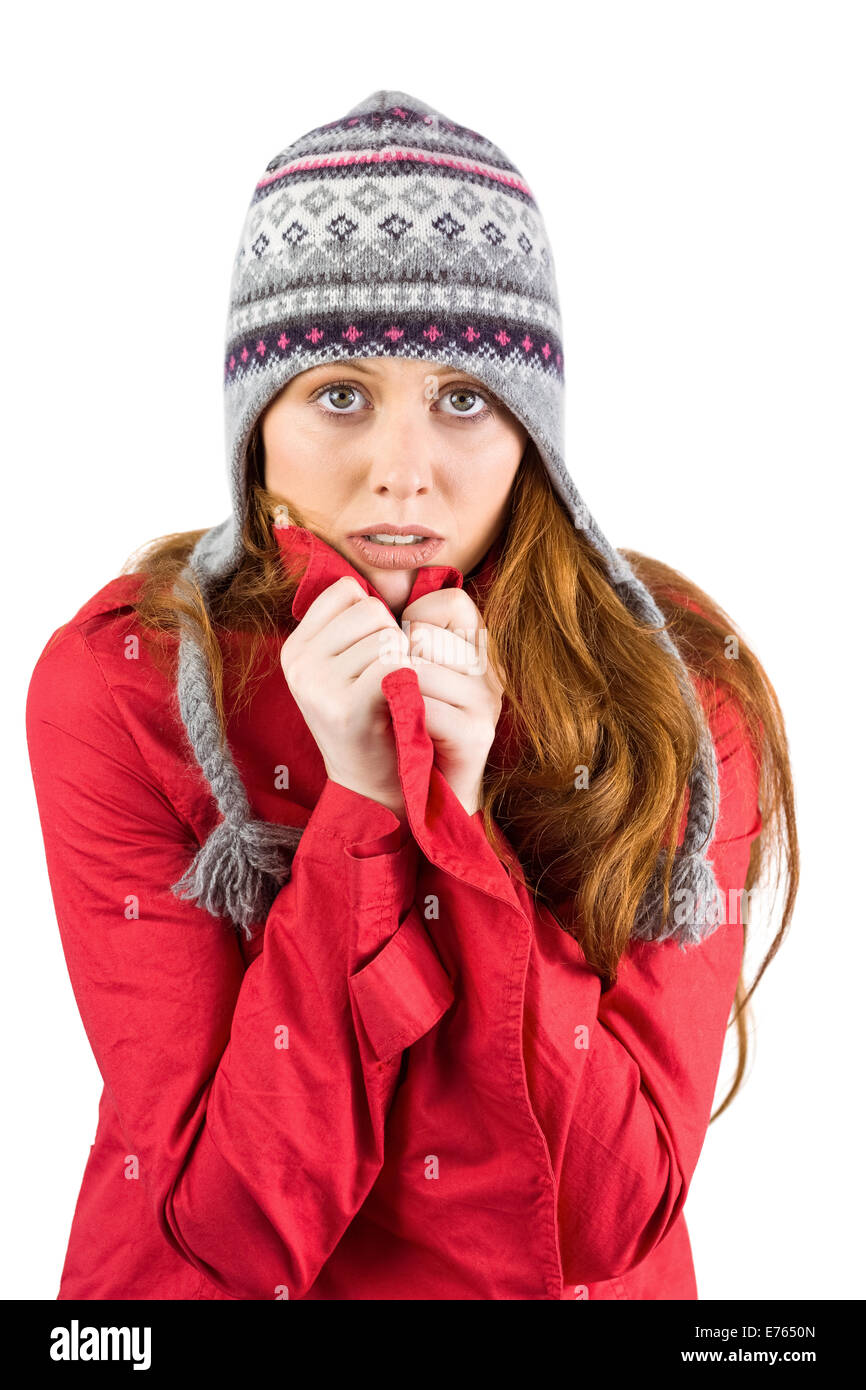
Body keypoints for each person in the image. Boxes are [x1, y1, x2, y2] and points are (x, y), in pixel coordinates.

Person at [25, 89, 798, 1301]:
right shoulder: (122, 685)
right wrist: (362, 810)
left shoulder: (678, 697)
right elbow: (230, 1228)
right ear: (257, 425)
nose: (400, 473)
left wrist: (463, 812)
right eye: (340, 393)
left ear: (532, 426)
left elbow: (615, 1213)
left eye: (462, 397)